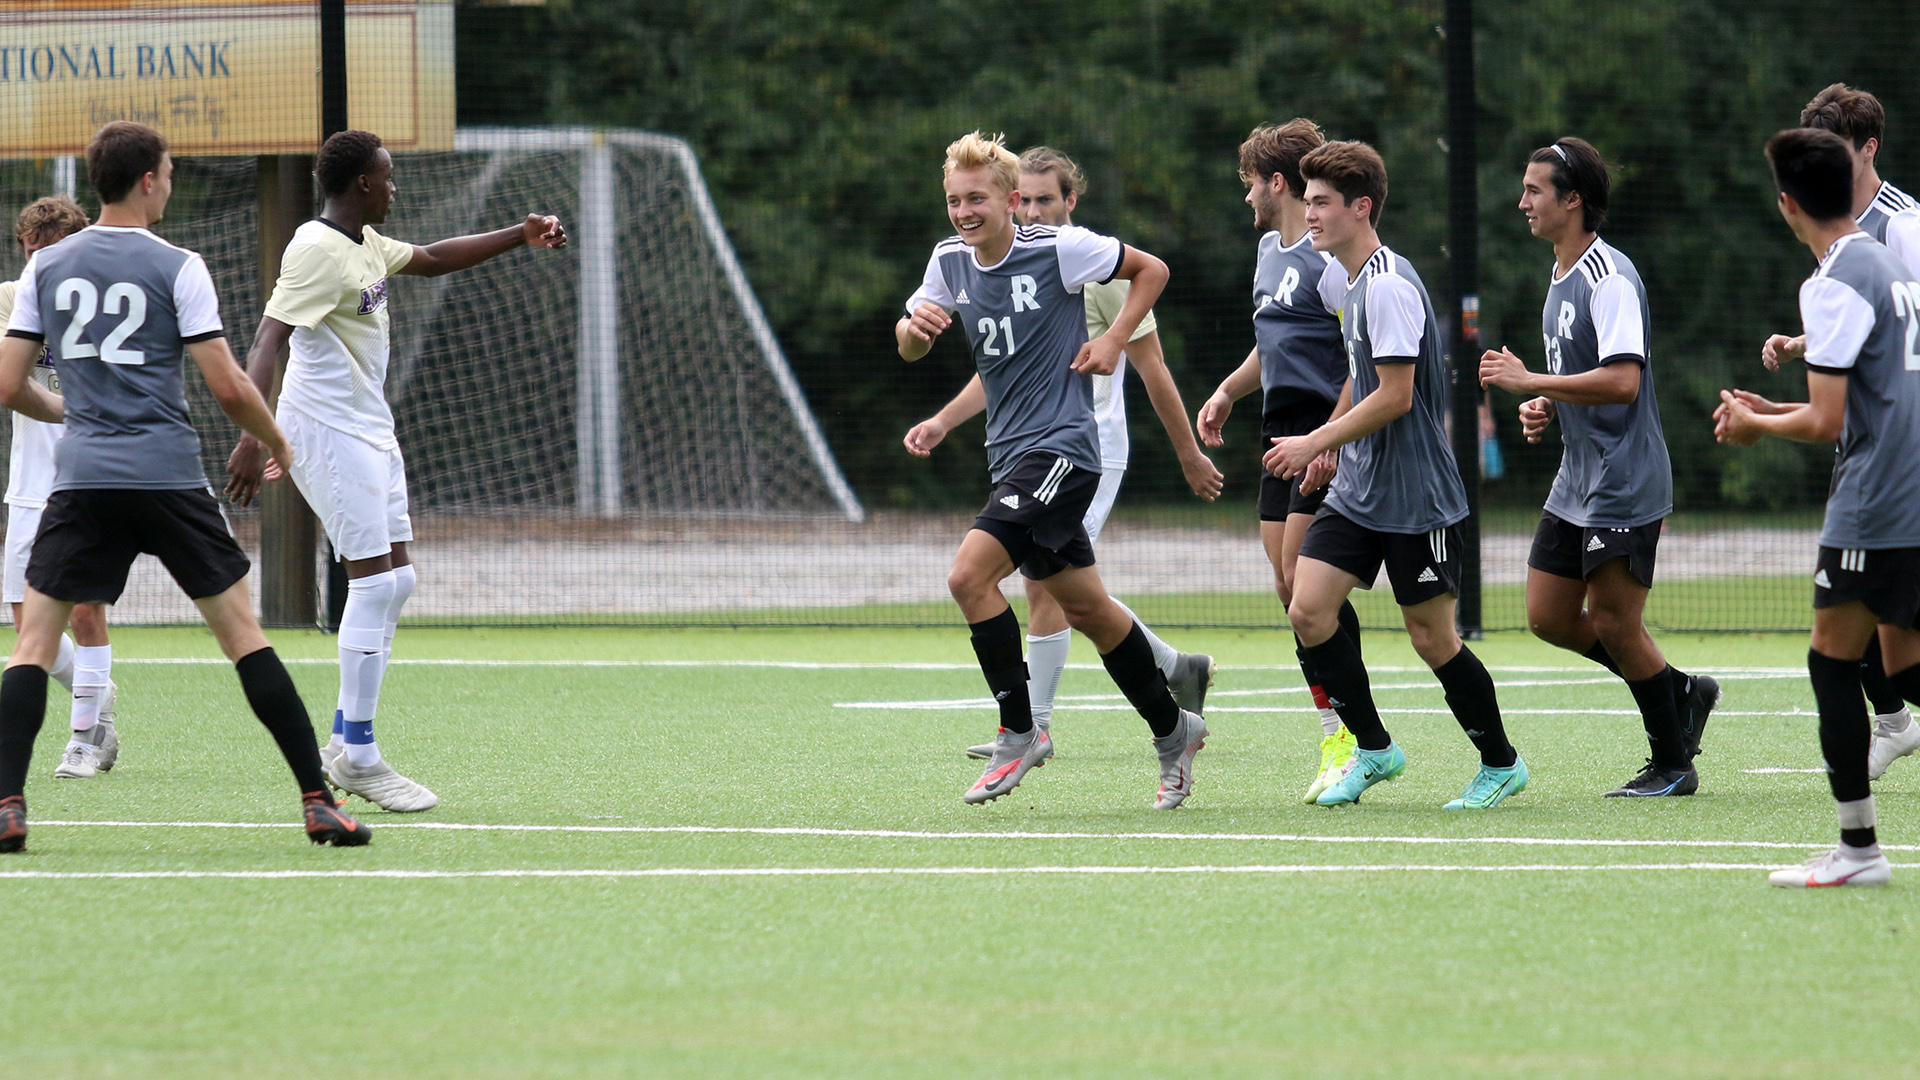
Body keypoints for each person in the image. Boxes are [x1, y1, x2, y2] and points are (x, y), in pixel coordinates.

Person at [0, 121, 367, 851]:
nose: (169, 183)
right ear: (147, 180)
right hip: (167, 476)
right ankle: (318, 803)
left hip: (83, 480)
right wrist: (276, 439)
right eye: (167, 173)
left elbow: (9, 385)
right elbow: (228, 386)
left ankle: (8, 807)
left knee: (32, 645)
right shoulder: (179, 265)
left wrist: (72, 413)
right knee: (244, 637)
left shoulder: (46, 268)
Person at [225, 129, 567, 812]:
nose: (394, 185)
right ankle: (359, 756)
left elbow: (434, 259)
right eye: (387, 175)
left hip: (369, 429)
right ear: (362, 184)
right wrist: (253, 435)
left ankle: (343, 741)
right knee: (374, 584)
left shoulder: (366, 244)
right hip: (324, 430)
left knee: (397, 579)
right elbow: (267, 341)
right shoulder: (314, 248)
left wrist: (519, 234)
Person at [897, 131, 1206, 808]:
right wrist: (913, 332)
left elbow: (1152, 269)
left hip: (1064, 451)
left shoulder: (1060, 249)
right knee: (1089, 610)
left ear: (1010, 202)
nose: (964, 211)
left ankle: (1019, 732)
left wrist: (1113, 338)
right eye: (954, 200)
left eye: (976, 199)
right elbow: (909, 342)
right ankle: (1174, 728)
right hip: (1010, 455)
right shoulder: (949, 261)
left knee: (968, 576)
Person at [1266, 140, 1528, 810]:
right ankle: (1375, 748)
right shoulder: (1340, 279)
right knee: (1308, 608)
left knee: (1431, 638)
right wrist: (1330, 445)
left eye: (1322, 202)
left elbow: (1395, 396)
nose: (1310, 213)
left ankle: (1501, 764)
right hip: (1359, 489)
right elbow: (1360, 375)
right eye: (1307, 199)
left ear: (1361, 207)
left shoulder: (1387, 285)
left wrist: (1314, 439)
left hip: (1417, 496)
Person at [1477, 138, 1719, 797]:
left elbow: (1622, 381)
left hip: (1624, 478)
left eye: (1535, 190)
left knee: (1615, 622)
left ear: (1573, 200)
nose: (1523, 202)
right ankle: (1679, 691)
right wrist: (1546, 404)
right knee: (1549, 615)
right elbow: (1586, 375)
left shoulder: (1608, 278)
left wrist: (1532, 380)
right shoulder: (1561, 274)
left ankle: (1673, 763)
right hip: (1578, 477)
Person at [1716, 126, 1920, 888]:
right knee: (1904, 663)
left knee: (1830, 661)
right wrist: (1774, 407)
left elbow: (1828, 420)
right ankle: (1857, 848)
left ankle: (1859, 850)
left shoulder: (1831, 279)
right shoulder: (1888, 264)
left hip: (1876, 500)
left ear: (1787, 204)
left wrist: (1754, 427)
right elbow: (1869, 391)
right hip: (1913, 487)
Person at [1197, 119, 1366, 803]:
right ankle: (1337, 729)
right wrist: (1227, 391)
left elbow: (1363, 357)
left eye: (1249, 184)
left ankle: (1352, 736)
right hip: (1279, 432)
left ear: (1276, 182)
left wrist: (1332, 439)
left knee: (1305, 587)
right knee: (1285, 586)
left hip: (1324, 431)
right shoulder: (1269, 251)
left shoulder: (1331, 262)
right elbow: (1271, 345)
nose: (1247, 199)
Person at [1765, 84, 1920, 780]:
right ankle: (1893, 722)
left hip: (1896, 452)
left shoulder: (1902, 226)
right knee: (1879, 631)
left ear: (1868, 149)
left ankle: (1881, 753)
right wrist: (1807, 343)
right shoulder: (1840, 236)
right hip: (1869, 444)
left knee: (1853, 630)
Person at [0, 196, 123, 780]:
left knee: (85, 611)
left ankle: (83, 739)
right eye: (31, 252)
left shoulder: (108, 304)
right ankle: (96, 690)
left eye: (51, 252)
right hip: (29, 484)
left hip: (89, 477)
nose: (39, 263)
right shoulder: (10, 299)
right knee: (28, 624)